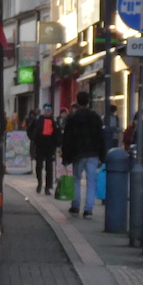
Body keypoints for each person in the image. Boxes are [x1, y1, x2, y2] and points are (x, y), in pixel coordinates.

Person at [60, 91, 107, 219]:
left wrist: (66, 157)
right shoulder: (96, 117)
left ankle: (75, 206)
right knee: (92, 181)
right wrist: (103, 156)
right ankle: (88, 209)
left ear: (77, 101)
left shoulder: (72, 118)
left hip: (78, 154)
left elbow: (67, 139)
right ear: (88, 102)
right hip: (93, 153)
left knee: (76, 179)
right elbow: (101, 138)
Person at [28, 105, 59, 194]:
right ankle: (39, 183)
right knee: (39, 166)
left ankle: (48, 187)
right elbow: (29, 129)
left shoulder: (54, 121)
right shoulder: (38, 120)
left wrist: (57, 143)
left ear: (51, 111)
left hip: (50, 146)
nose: (47, 112)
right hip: (39, 146)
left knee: (49, 167)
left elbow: (58, 133)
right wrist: (33, 138)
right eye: (45, 110)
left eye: (49, 110)